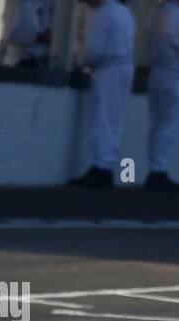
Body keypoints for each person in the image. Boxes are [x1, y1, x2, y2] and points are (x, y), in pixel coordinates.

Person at [70, 0, 135, 189]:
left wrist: (80, 62)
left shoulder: (103, 14)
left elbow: (93, 48)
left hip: (107, 69)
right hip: (124, 66)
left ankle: (101, 166)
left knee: (102, 118)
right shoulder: (125, 12)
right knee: (114, 119)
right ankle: (107, 162)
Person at [147, 0, 179, 190]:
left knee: (157, 125)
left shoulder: (157, 13)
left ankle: (155, 168)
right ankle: (159, 170)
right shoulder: (175, 15)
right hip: (173, 73)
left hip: (156, 73)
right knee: (168, 126)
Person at [4, 0, 54, 67]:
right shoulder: (21, 5)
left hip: (45, 63)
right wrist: (37, 37)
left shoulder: (53, 7)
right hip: (23, 62)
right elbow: (11, 35)